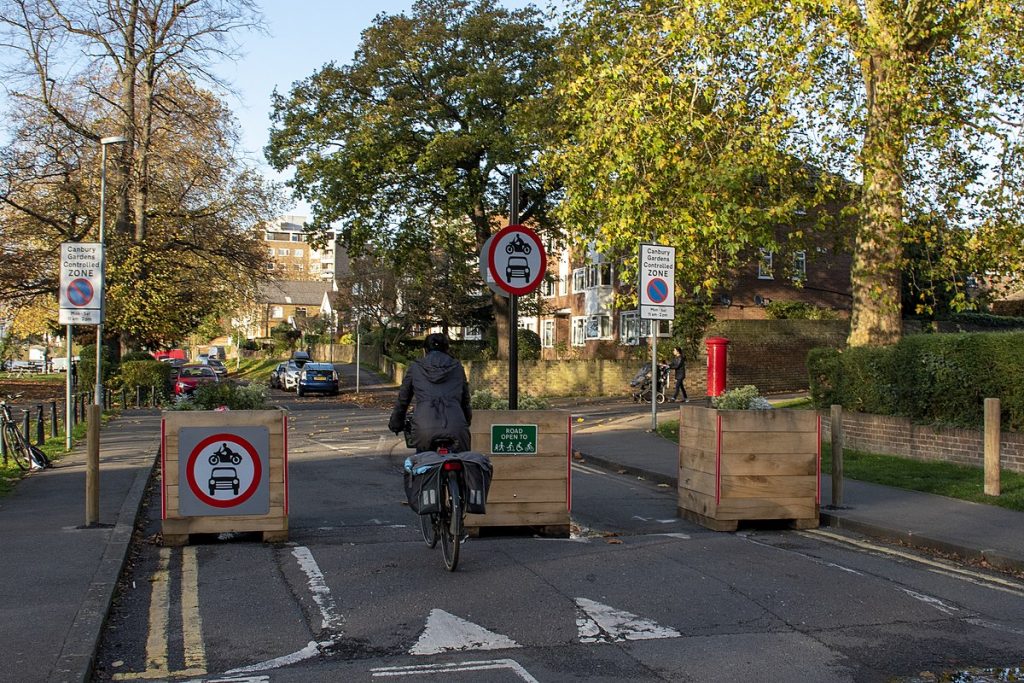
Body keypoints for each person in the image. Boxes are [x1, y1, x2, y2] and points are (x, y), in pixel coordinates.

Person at [388, 333, 472, 452]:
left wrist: (396, 423)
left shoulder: (416, 368)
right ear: (447, 349)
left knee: (422, 465)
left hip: (424, 427)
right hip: (456, 426)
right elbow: (465, 400)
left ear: (425, 350)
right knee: (462, 462)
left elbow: (403, 400)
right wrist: (466, 421)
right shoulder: (457, 367)